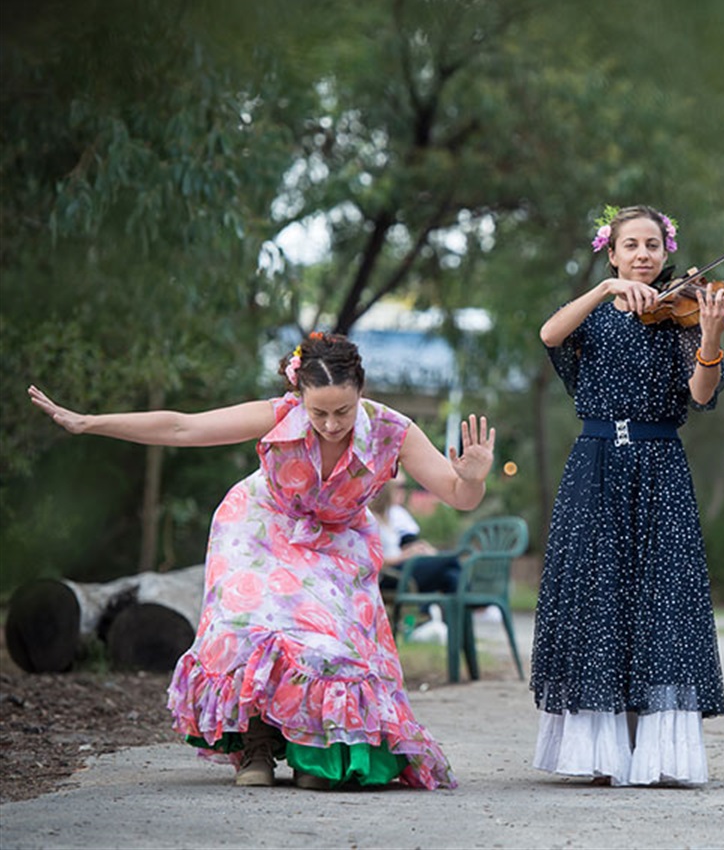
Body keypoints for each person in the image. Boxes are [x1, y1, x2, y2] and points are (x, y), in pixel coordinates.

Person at [27, 332, 495, 791]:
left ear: (361, 392)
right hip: (260, 526)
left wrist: (473, 479)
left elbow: (459, 496)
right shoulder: (280, 414)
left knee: (329, 648)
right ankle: (255, 743)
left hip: (338, 541)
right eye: (319, 412)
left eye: (343, 411)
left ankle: (312, 749)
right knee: (253, 625)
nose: (331, 424)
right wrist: (90, 422)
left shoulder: (393, 431)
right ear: (299, 394)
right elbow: (182, 427)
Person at [530, 204, 724, 787]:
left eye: (652, 246)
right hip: (595, 463)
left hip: (660, 465)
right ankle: (599, 750)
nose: (643, 255)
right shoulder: (592, 313)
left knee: (662, 598)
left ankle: (657, 752)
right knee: (598, 597)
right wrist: (604, 290)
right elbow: (549, 334)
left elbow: (701, 394)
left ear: (666, 254)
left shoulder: (682, 316)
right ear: (612, 253)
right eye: (631, 246)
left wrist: (711, 336)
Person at [372, 478, 460, 597]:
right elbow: (374, 559)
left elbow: (395, 547)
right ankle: (478, 606)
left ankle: (470, 607)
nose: (402, 492)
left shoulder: (388, 519)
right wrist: (404, 555)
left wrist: (416, 549)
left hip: (402, 564)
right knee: (450, 559)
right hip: (391, 573)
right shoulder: (373, 521)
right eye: (398, 488)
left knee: (451, 576)